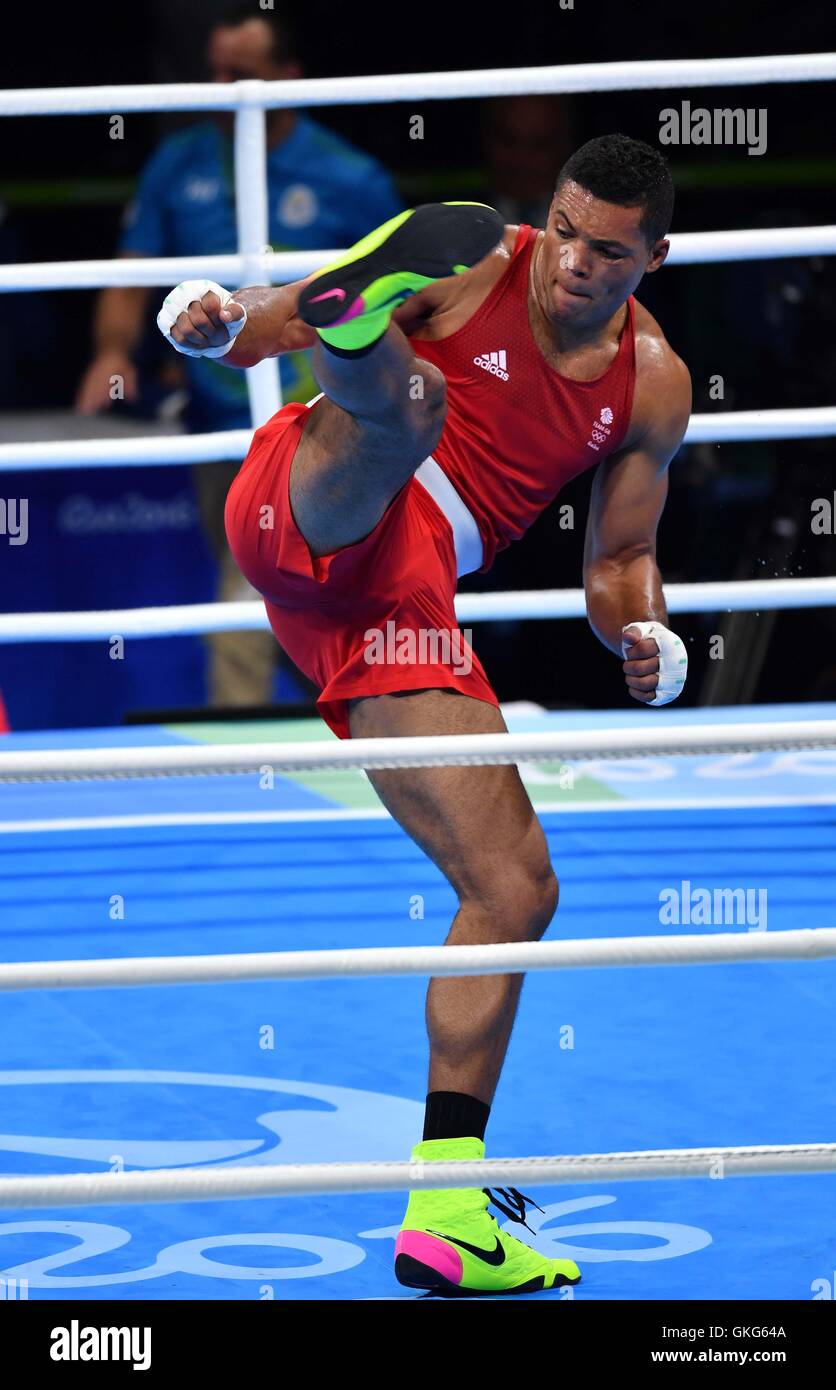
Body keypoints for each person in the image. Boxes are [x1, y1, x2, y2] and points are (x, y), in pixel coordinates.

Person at [158, 134, 691, 1296]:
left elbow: (622, 560)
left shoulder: (651, 382)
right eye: (560, 230)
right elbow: (274, 317)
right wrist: (213, 316)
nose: (570, 264)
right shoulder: (466, 255)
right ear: (541, 215)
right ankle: (367, 337)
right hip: (314, 490)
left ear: (653, 256)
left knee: (514, 888)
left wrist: (644, 636)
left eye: (606, 251)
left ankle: (446, 1207)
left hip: (391, 615)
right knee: (409, 400)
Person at [75, 3, 401, 707]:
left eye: (241, 75)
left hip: (321, 420)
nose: (223, 89)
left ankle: (253, 763)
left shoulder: (352, 178)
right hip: (214, 420)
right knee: (262, 582)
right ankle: (325, 730)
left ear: (287, 77)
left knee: (251, 598)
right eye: (215, 72)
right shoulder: (177, 161)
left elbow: (399, 302)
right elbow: (132, 273)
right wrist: (111, 351)